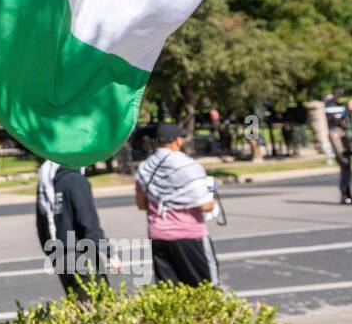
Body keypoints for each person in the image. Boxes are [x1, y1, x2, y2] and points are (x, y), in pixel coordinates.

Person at [134, 123, 220, 287]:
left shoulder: (145, 167)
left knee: (171, 292)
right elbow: (205, 205)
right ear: (178, 141)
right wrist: (213, 198)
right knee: (206, 289)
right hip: (190, 235)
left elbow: (141, 204)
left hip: (159, 237)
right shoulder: (189, 165)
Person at [35, 158, 121, 300]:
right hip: (82, 255)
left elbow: (41, 224)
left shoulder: (47, 181)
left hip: (60, 254)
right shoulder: (75, 181)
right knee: (99, 305)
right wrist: (109, 252)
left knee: (78, 305)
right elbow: (88, 223)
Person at [327, 114, 352, 205]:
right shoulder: (334, 132)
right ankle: (345, 197)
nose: (344, 123)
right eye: (342, 121)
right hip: (343, 156)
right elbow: (338, 147)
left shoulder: (341, 130)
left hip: (346, 155)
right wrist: (343, 157)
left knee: (348, 177)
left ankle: (349, 196)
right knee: (345, 177)